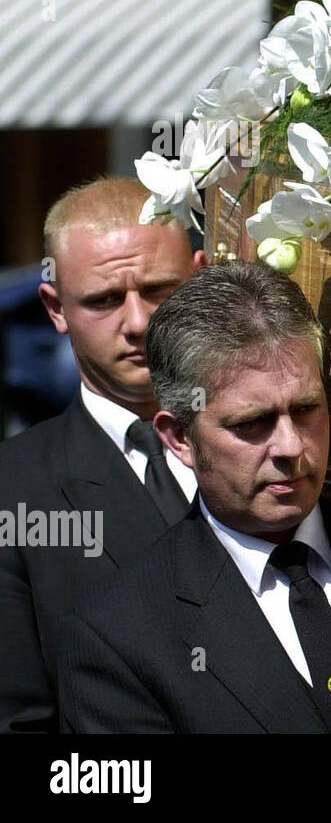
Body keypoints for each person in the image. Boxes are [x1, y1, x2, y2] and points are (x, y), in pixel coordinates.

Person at [56, 262, 331, 733]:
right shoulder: (117, 641)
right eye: (251, 424)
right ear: (179, 439)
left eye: (307, 409)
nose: (291, 447)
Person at [0, 177, 205, 732]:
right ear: (55, 307)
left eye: (159, 290)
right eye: (104, 300)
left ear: (203, 278)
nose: (138, 323)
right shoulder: (14, 490)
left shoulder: (291, 445)